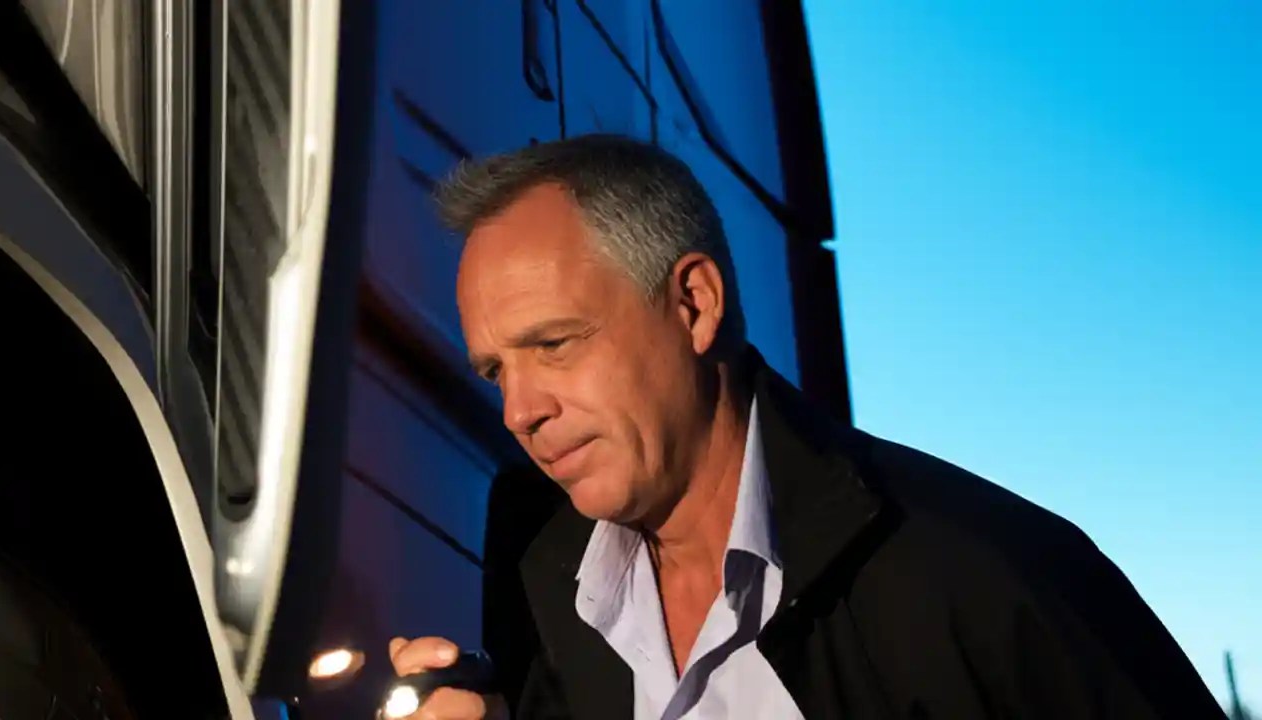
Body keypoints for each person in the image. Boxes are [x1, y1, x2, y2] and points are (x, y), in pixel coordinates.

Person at [387, 134, 1225, 719]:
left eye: (556, 345)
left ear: (694, 304)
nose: (519, 411)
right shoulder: (548, 587)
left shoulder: (984, 579)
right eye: (497, 370)